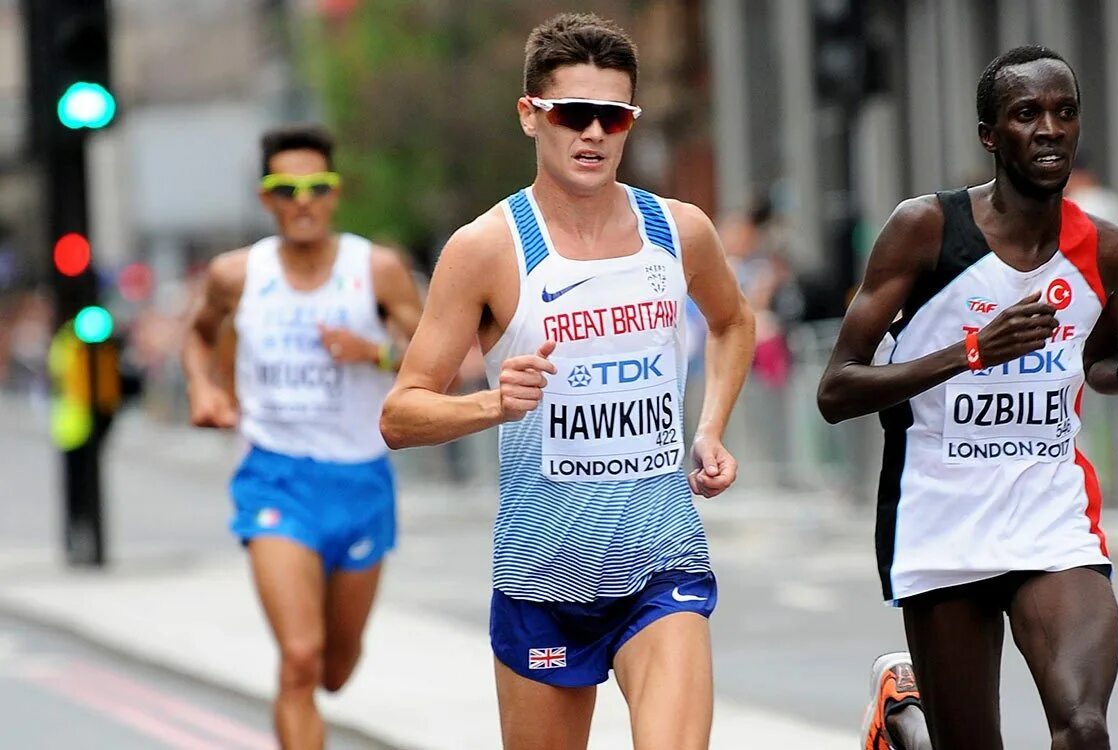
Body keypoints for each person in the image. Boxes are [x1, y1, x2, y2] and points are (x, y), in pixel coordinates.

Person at [379, 13, 754, 750]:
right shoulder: (486, 248)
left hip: (661, 565)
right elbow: (400, 413)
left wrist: (709, 427)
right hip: (541, 580)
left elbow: (734, 321)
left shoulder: (678, 231)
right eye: (571, 114)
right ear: (530, 116)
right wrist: (493, 403)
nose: (593, 134)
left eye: (612, 116)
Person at [815, 46, 1118, 750]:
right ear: (990, 136)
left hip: (1051, 515)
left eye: (1063, 112)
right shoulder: (925, 230)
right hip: (941, 519)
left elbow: (1097, 356)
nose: (1049, 128)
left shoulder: (1112, 251)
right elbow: (837, 389)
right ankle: (901, 716)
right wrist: (974, 350)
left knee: (1084, 728)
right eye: (1026, 114)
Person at [181, 124, 423, 749]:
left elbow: (435, 360)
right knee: (300, 658)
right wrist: (203, 390)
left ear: (334, 193)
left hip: (361, 481)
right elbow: (197, 334)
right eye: (286, 188)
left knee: (336, 671)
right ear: (267, 198)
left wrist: (371, 353)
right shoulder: (238, 274)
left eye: (316, 186)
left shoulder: (376, 269)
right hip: (276, 476)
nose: (302, 200)